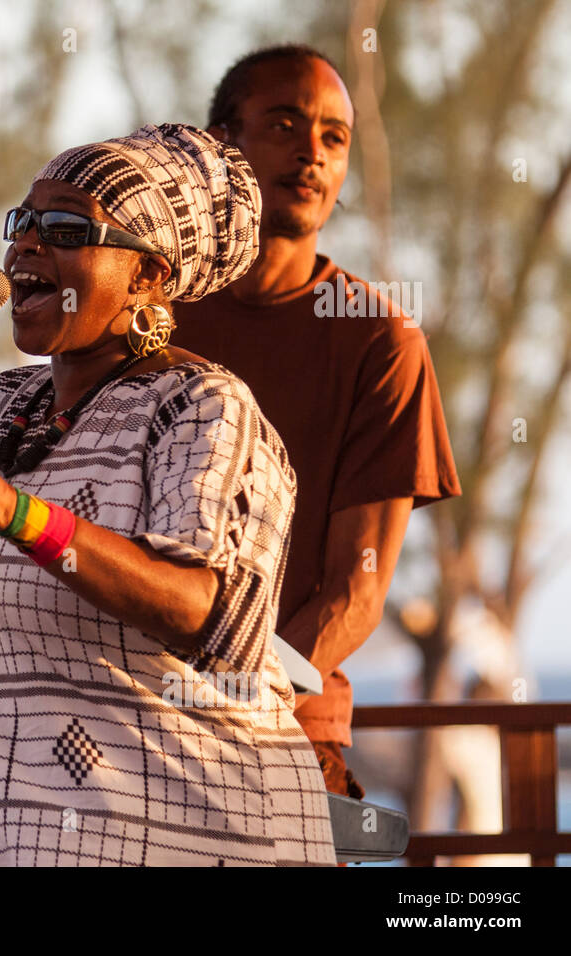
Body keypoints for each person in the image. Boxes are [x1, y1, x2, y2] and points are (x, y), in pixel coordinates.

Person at [0, 124, 335, 866]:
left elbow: (204, 610)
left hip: (199, 837)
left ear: (148, 276)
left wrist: (12, 511)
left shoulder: (201, 405)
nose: (25, 249)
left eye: (68, 228)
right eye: (24, 223)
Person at [172, 45, 460, 799]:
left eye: (334, 138)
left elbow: (353, 592)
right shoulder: (149, 313)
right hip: (124, 722)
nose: (311, 154)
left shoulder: (379, 340)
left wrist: (228, 707)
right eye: (284, 124)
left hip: (283, 729)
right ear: (223, 145)